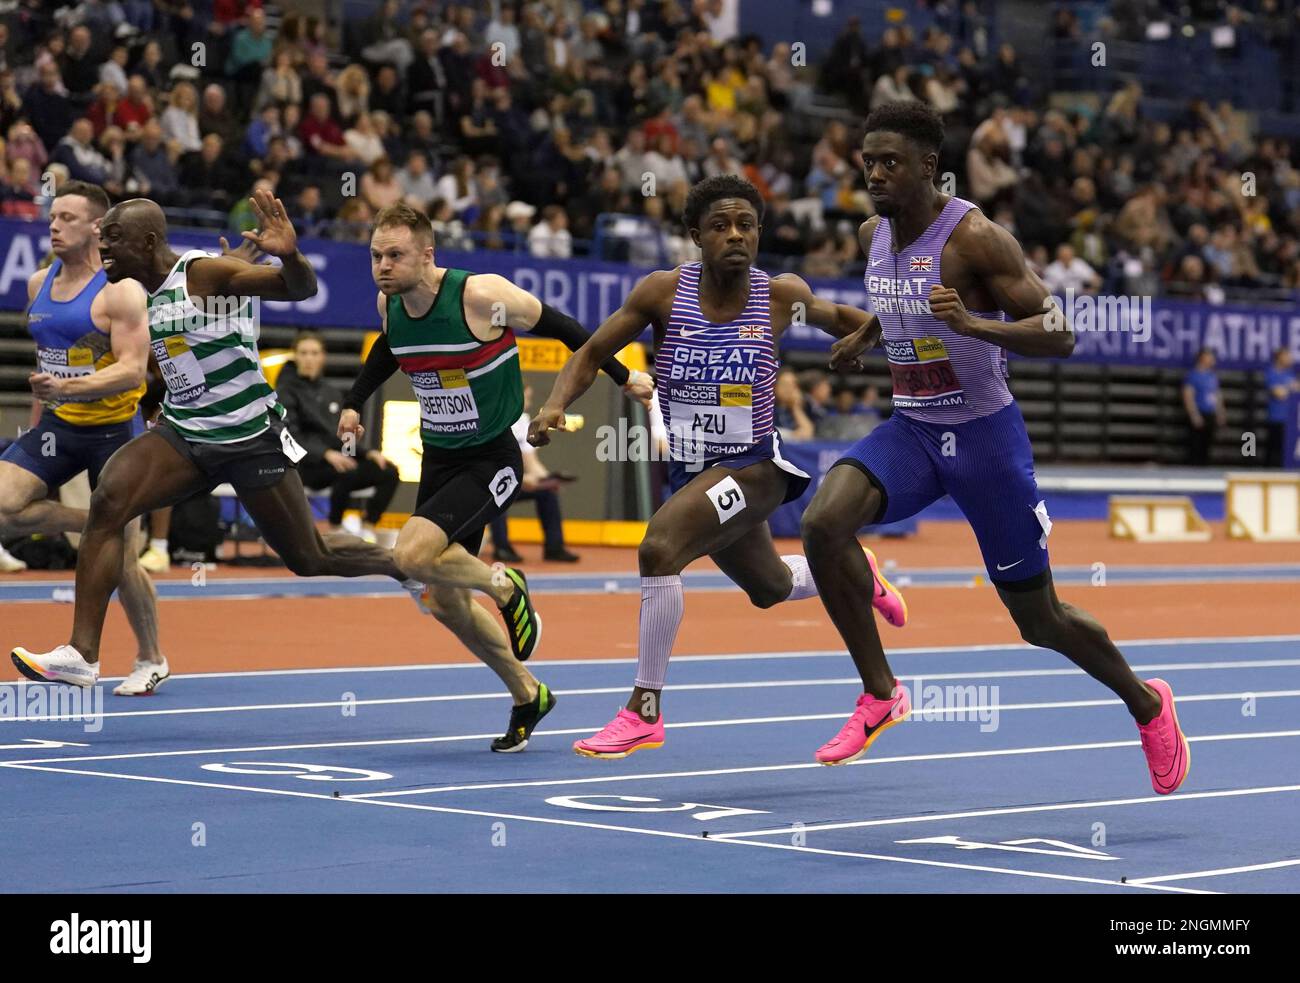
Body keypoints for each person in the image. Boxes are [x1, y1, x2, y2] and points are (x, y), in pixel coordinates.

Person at [802, 101, 1190, 795]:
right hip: (915, 429)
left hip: (985, 440)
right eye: (869, 163)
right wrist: (866, 337)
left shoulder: (977, 239)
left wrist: (977, 323)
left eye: (891, 162)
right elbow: (899, 308)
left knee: (1038, 620)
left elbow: (1060, 332)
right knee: (823, 522)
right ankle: (880, 692)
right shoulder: (873, 234)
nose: (877, 175)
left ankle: (1147, 702)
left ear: (929, 166)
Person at [529, 174, 908, 759]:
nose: (735, 236)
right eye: (720, 226)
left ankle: (644, 711)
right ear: (695, 237)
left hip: (756, 468)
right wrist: (555, 404)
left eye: (746, 226)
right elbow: (591, 354)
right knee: (770, 586)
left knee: (659, 548)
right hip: (693, 473)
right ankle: (861, 571)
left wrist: (868, 336)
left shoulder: (781, 295)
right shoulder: (660, 292)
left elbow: (849, 320)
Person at [11, 190, 417, 691]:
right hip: (188, 435)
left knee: (310, 558)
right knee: (110, 498)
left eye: (113, 239)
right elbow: (181, 361)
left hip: (248, 437)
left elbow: (298, 289)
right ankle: (82, 654)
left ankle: (404, 564)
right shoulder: (145, 292)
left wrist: (288, 254)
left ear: (149, 240)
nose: (104, 250)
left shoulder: (201, 274)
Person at [338, 203, 653, 751]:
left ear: (427, 254)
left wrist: (623, 376)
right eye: (375, 256)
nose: (383, 266)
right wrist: (353, 400)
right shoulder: (389, 307)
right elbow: (390, 350)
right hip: (438, 458)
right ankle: (528, 693)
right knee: (443, 601)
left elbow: (561, 326)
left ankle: (505, 586)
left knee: (409, 557)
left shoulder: (480, 295)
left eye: (395, 255)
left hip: (491, 459)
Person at [0, 182, 169, 695]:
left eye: (67, 218)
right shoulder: (37, 284)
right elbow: (46, 361)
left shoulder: (121, 290)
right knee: (6, 503)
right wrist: (41, 409)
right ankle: (99, 524)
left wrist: (68, 385)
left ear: (97, 228)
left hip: (114, 431)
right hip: (59, 425)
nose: (54, 225)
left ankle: (151, 656)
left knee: (119, 563)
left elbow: (134, 372)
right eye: (52, 216)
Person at [278, 330, 400, 544]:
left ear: (323, 356)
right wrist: (326, 454)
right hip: (307, 464)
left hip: (338, 459)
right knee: (345, 472)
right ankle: (335, 529)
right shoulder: (286, 391)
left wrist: (365, 451)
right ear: (295, 356)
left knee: (388, 471)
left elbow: (342, 437)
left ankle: (368, 526)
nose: (309, 358)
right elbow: (290, 436)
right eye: (304, 353)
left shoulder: (331, 392)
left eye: (314, 353)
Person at [488, 386, 579, 564]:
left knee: (547, 493)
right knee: (498, 495)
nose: (529, 403)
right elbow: (490, 465)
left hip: (514, 482)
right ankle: (502, 548)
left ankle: (554, 548)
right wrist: (521, 480)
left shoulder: (523, 421)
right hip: (490, 484)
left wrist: (548, 480)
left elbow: (530, 461)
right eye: (526, 398)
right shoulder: (493, 420)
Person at [1183, 347, 1225, 466]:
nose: (1212, 359)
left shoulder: (1212, 376)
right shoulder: (1193, 375)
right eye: (1209, 357)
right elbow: (1188, 396)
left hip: (1210, 413)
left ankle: (1204, 466)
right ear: (1202, 358)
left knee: (1208, 444)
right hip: (1199, 412)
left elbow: (1217, 395)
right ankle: (1194, 469)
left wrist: (1220, 412)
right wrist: (1194, 415)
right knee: (1196, 444)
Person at [1264, 348, 1297, 468]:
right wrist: (1290, 388)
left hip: (1290, 419)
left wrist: (1287, 389)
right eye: (1287, 356)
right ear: (1280, 357)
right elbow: (1278, 393)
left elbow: (1296, 390)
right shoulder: (1272, 372)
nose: (1290, 358)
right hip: (1276, 417)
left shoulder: (1290, 373)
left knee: (1286, 451)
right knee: (1274, 449)